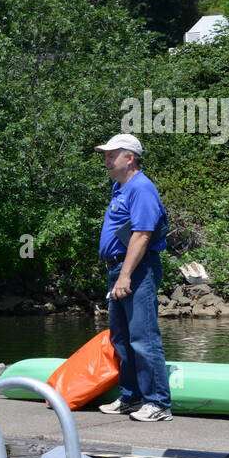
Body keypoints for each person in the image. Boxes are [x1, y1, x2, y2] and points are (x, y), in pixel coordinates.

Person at [93, 133, 172, 422]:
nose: (107, 160)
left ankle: (158, 403)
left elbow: (142, 234)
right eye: (106, 155)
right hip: (118, 268)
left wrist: (125, 276)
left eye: (112, 155)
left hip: (136, 270)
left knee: (143, 337)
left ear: (130, 157)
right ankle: (131, 396)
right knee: (122, 338)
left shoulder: (141, 188)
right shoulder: (120, 187)